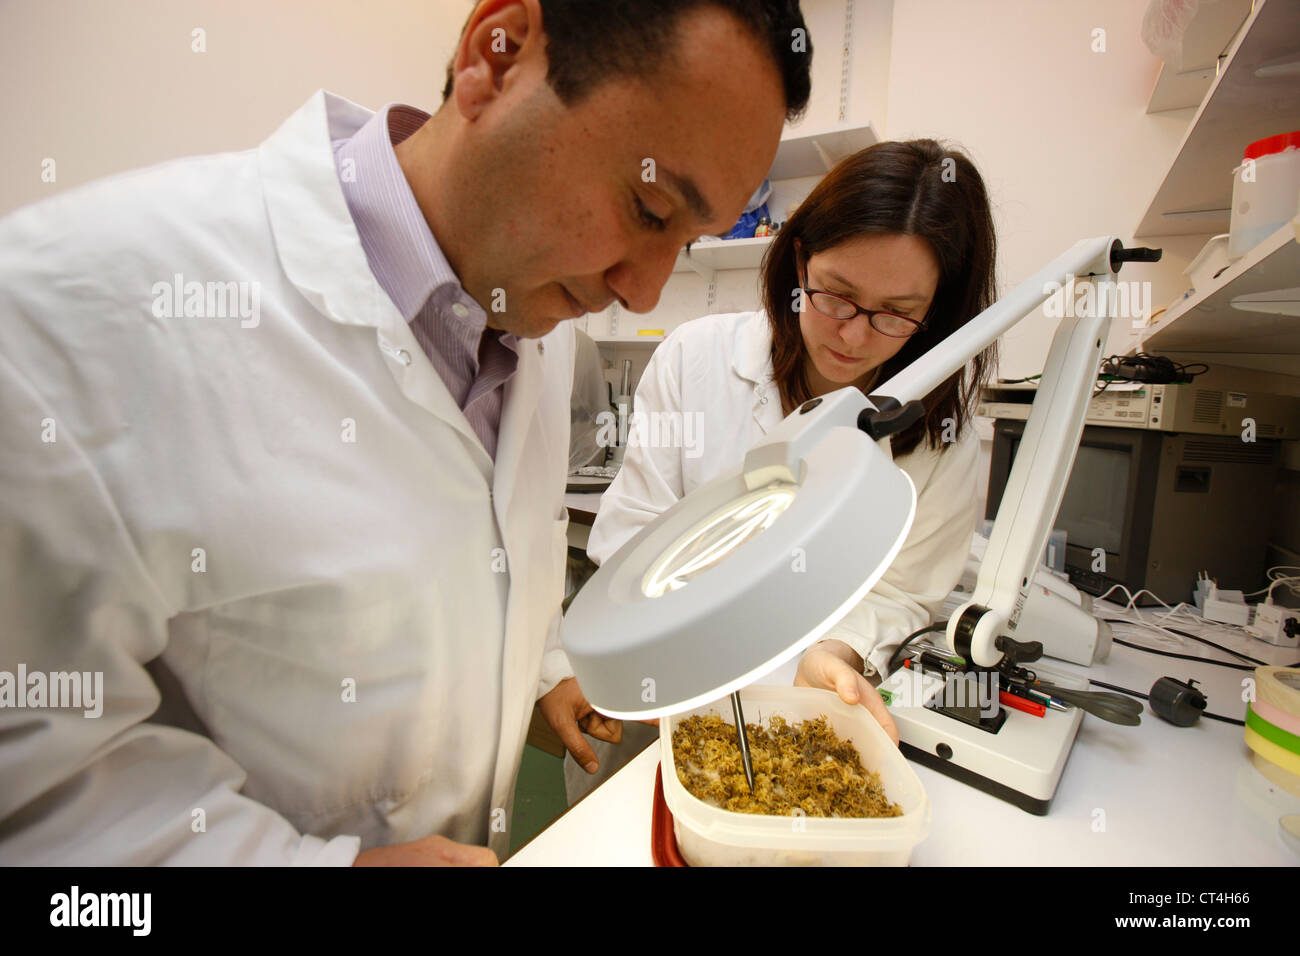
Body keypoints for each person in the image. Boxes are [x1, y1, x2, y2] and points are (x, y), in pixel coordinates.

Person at [0, 0, 811, 865]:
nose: (643, 289)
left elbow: (487, 567)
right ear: (496, 56)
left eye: (688, 242)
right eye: (649, 208)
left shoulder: (538, 316)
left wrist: (539, 674)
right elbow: (32, 789)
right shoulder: (72, 311)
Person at [577, 140, 997, 792]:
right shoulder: (696, 358)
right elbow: (631, 538)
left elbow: (901, 593)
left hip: (804, 712)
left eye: (895, 314)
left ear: (935, 312)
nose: (853, 335)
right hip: (659, 696)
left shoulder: (944, 435)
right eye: (837, 295)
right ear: (800, 261)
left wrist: (834, 652)